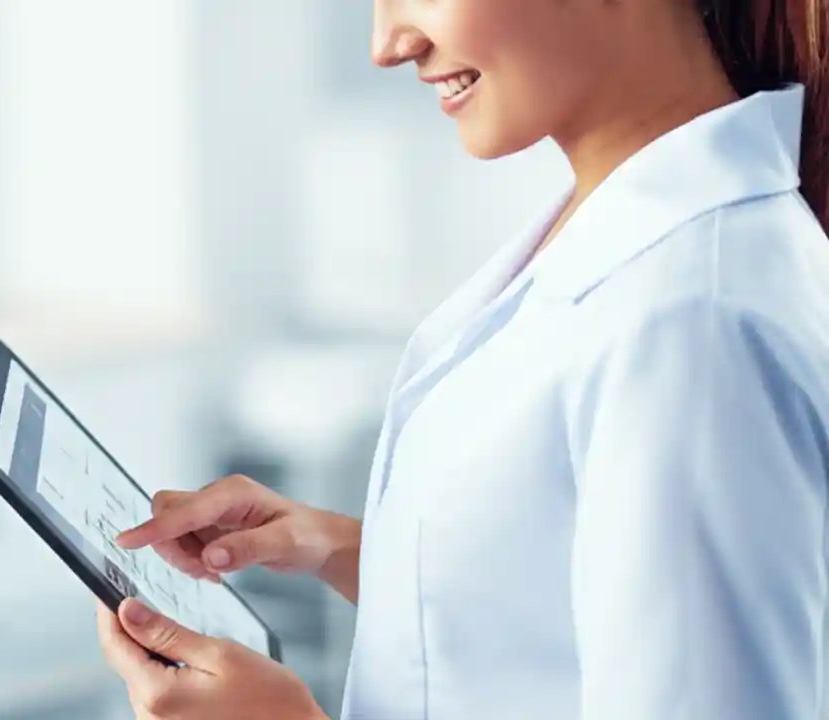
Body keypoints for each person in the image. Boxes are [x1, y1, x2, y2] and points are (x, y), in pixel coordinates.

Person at [96, 0, 829, 718]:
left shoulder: (690, 323)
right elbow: (558, 612)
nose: (388, 43)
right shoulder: (618, 240)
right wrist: (344, 547)